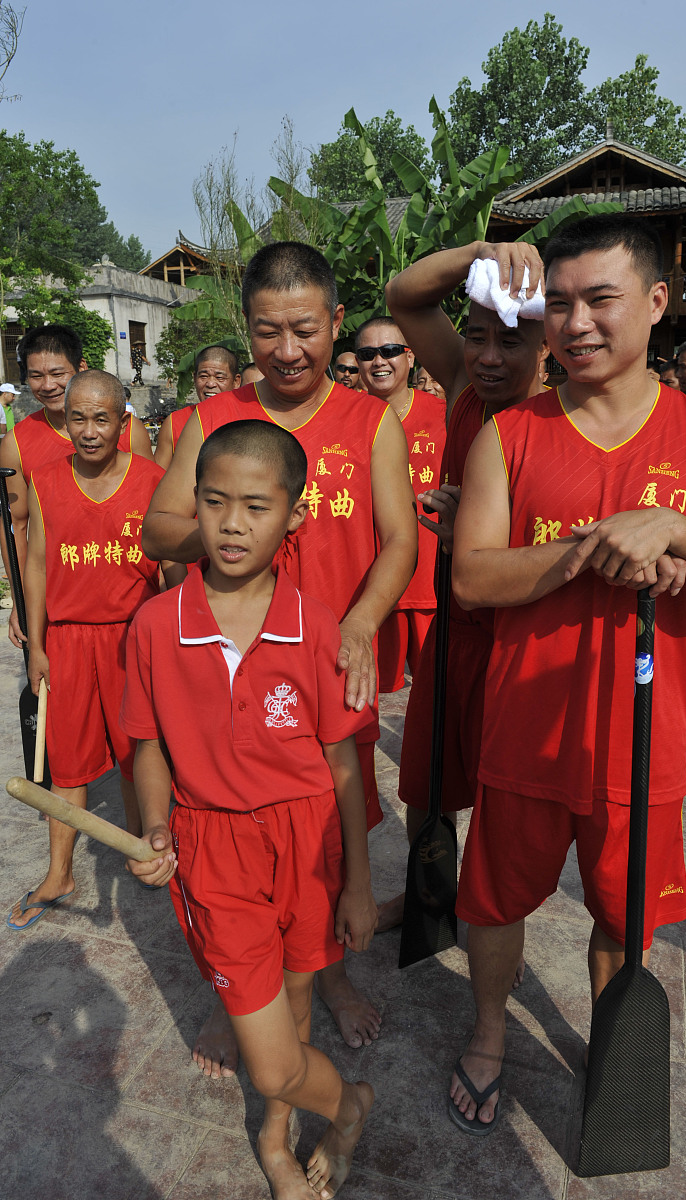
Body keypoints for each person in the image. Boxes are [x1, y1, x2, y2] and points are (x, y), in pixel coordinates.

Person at [449, 214, 686, 1134]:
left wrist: (675, 530)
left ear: (657, 304)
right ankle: (488, 1032)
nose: (576, 324)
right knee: (497, 898)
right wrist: (591, 551)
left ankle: (608, 1040)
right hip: (525, 728)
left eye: (600, 301)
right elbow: (471, 577)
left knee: (623, 917)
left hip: (644, 739)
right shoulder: (509, 435)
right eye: (559, 304)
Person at [142, 240, 417, 1071]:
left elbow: (401, 541)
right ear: (247, 328)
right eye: (268, 331)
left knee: (328, 835)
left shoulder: (372, 421)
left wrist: (362, 621)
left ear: (335, 322)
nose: (287, 350)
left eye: (304, 328)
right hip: (227, 667)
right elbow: (157, 528)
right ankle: (246, 993)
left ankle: (325, 977)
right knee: (232, 831)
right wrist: (234, 519)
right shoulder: (210, 420)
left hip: (328, 670)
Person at [123, 420, 374, 1200]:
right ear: (191, 506)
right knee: (270, 1054)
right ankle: (352, 1106)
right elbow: (149, 746)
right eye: (215, 502)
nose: (232, 524)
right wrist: (155, 825)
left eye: (257, 506)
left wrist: (359, 884)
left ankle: (274, 1135)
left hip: (307, 843)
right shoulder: (157, 625)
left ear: (295, 515)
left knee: (297, 1004)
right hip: (212, 848)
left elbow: (342, 767)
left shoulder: (317, 627)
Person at [378, 238, 547, 932]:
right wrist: (482, 250)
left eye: (512, 341)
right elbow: (404, 296)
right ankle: (429, 896)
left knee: (507, 797)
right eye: (475, 337)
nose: (488, 357)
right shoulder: (464, 395)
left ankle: (490, 924)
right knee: (427, 777)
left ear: (550, 344)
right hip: (456, 627)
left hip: (524, 638)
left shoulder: (565, 417)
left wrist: (472, 539)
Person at [7, 370, 183, 931]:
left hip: (134, 636)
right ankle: (60, 870)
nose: (88, 430)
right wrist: (36, 644)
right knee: (69, 762)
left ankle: (144, 850)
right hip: (67, 639)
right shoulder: (45, 480)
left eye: (101, 418)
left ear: (122, 422)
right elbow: (36, 564)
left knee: (141, 754)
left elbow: (172, 568)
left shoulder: (155, 480)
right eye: (77, 417)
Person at [0, 325, 153, 648]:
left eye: (57, 373)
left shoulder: (129, 431)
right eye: (35, 376)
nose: (48, 385)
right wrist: (22, 599)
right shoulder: (17, 443)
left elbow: (155, 513)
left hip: (132, 605)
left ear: (81, 367)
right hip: (64, 612)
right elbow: (16, 526)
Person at [355, 315, 446, 692]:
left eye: (390, 350)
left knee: (437, 699)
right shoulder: (345, 417)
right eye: (368, 353)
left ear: (410, 357)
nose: (379, 361)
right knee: (368, 698)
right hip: (371, 590)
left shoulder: (445, 414)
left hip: (433, 585)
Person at [154, 345, 241, 470]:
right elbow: (157, 477)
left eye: (219, 377)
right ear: (194, 378)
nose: (210, 384)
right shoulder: (175, 422)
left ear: (236, 381)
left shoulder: (248, 418)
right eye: (203, 376)